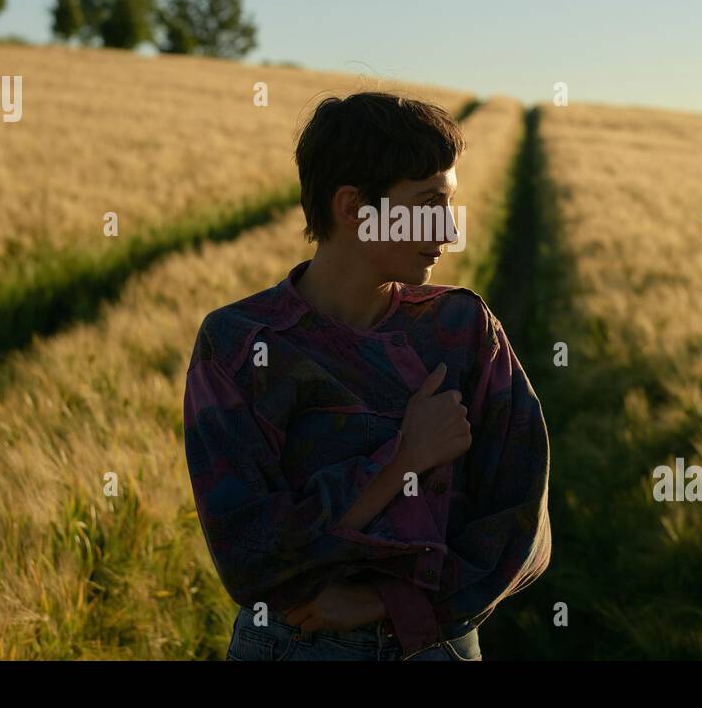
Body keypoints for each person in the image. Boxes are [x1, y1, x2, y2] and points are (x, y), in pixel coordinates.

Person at [183, 91, 551, 660]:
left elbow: (522, 523)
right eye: (429, 203)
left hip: (436, 646)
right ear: (354, 206)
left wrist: (389, 603)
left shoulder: (462, 329)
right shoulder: (239, 344)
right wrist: (401, 460)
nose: (450, 232)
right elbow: (247, 554)